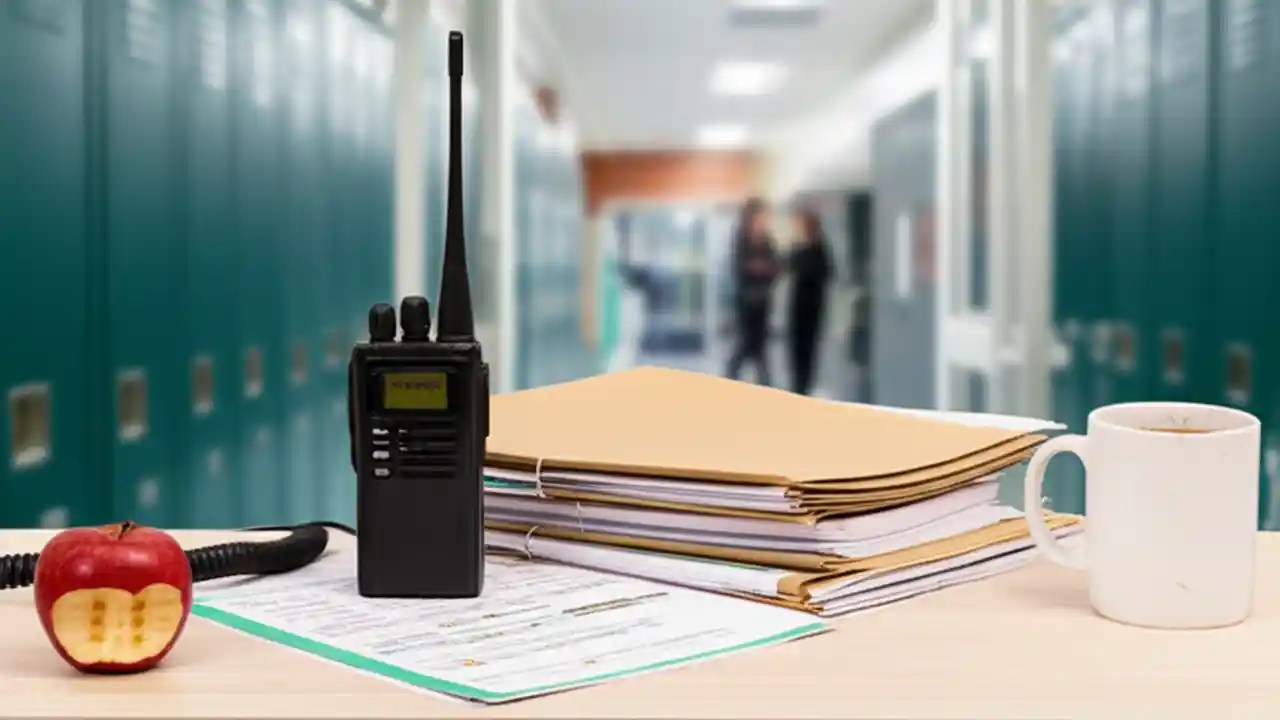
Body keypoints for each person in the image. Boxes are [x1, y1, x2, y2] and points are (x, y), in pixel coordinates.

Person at [725, 198, 780, 384]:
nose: (762, 220)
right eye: (759, 216)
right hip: (746, 301)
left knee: (758, 348)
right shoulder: (741, 240)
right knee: (747, 345)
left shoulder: (768, 241)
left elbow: (775, 267)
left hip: (763, 301)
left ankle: (763, 385)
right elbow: (739, 268)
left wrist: (760, 268)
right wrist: (758, 268)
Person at [786, 207, 833, 395]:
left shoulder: (820, 250)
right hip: (798, 308)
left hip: (812, 310)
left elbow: (826, 274)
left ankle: (802, 390)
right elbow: (787, 265)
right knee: (796, 353)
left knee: (808, 353)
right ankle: (798, 388)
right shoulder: (800, 249)